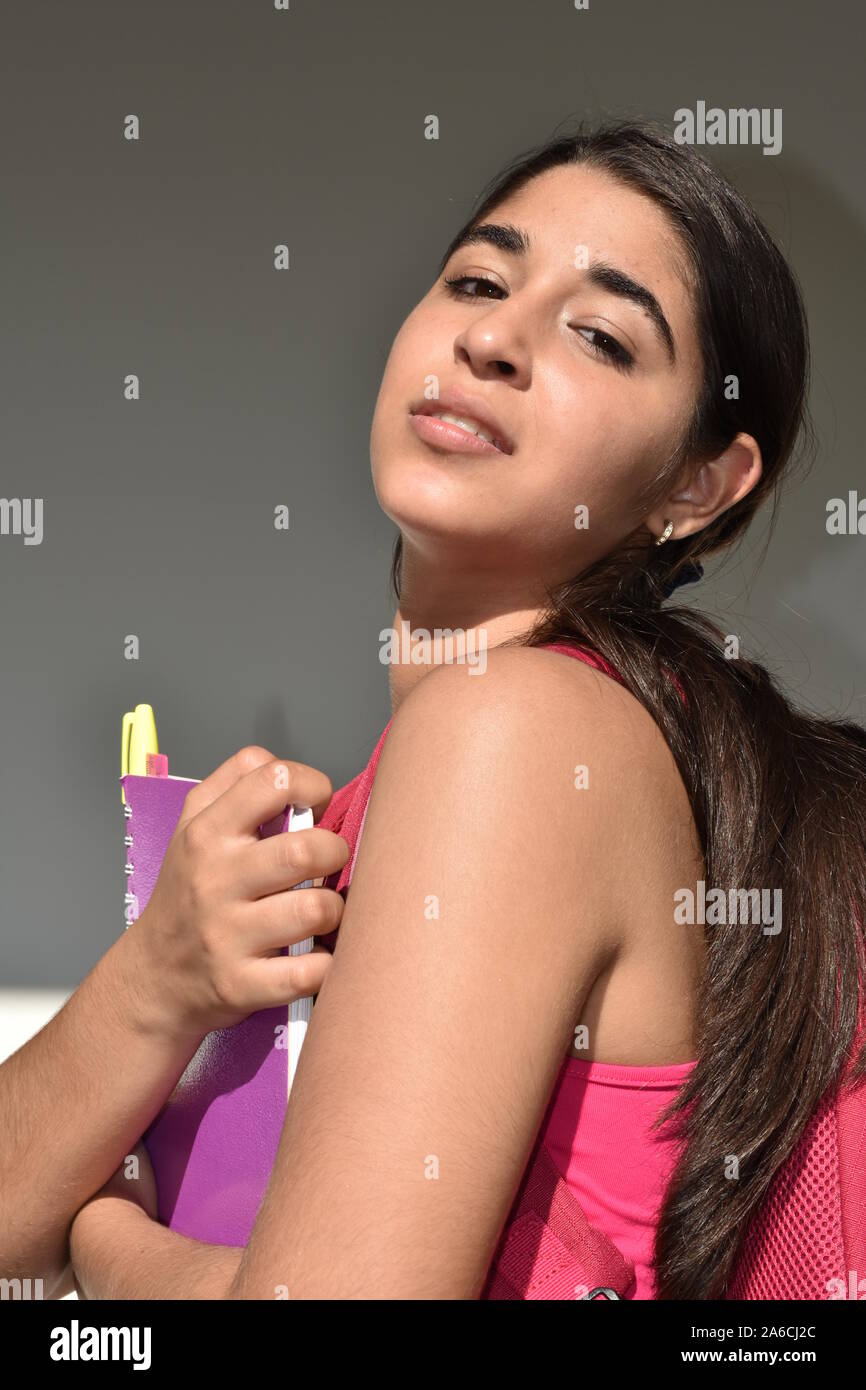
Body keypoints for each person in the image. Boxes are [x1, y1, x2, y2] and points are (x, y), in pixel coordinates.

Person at [5, 117, 865, 1300]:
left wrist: (105, 1236)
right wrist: (156, 977)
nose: (494, 338)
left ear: (694, 484)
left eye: (601, 336)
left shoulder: (519, 732)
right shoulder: (444, 766)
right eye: (475, 279)